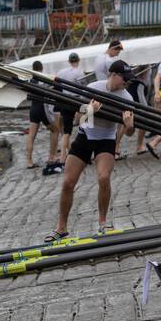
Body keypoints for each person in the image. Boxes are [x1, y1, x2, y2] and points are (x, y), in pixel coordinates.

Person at [51, 60, 137, 240]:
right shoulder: (93, 88)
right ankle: (61, 228)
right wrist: (90, 111)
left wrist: (129, 126)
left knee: (103, 177)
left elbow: (129, 133)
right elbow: (78, 120)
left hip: (106, 139)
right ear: (113, 75)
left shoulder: (127, 98)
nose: (126, 83)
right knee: (68, 183)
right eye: (124, 79)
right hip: (85, 135)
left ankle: (103, 223)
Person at [24, 60, 62, 172]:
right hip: (42, 108)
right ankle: (52, 157)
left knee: (31, 135)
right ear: (41, 68)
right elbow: (54, 88)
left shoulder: (31, 80)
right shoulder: (43, 78)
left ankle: (29, 161)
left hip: (33, 109)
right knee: (55, 130)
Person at [56, 53, 87, 157]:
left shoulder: (61, 72)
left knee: (67, 132)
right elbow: (84, 87)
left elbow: (58, 85)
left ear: (69, 61)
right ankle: (85, 152)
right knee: (85, 127)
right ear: (79, 60)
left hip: (66, 100)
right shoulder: (80, 72)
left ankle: (62, 158)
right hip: (78, 100)